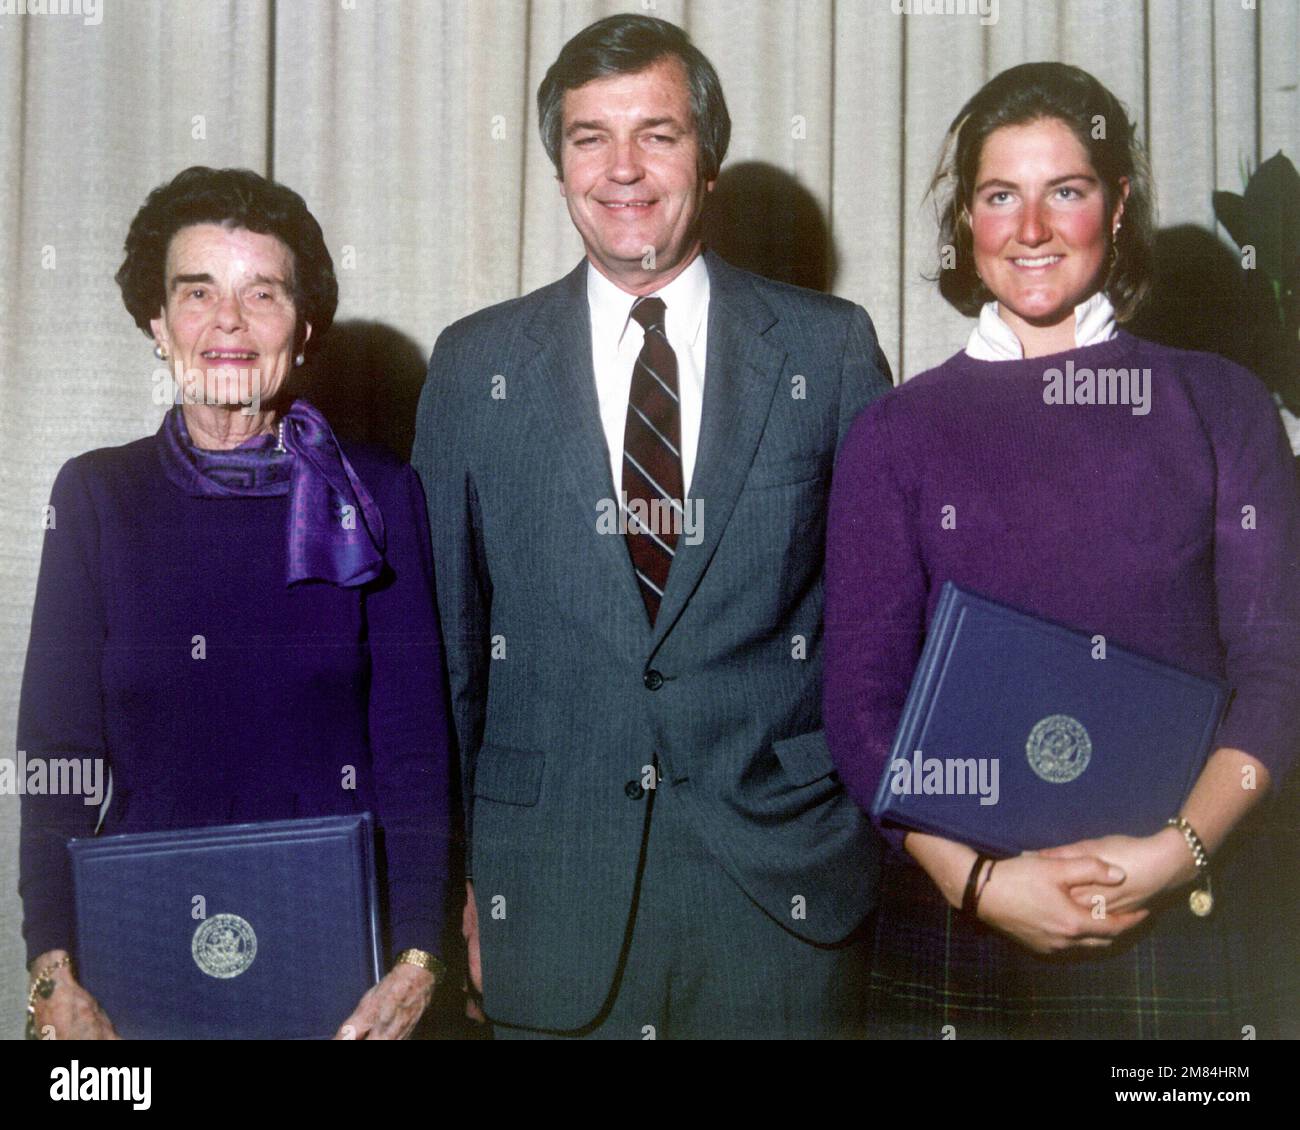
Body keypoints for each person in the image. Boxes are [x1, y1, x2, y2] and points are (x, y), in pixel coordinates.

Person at [413, 13, 892, 1038]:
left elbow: (881, 630)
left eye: (657, 134)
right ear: (557, 166)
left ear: (706, 158)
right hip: (545, 894)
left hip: (783, 892)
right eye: (590, 137)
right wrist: (444, 891)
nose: (622, 168)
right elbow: (446, 658)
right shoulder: (471, 366)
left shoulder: (830, 348)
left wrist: (864, 838)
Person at [824, 62, 1300, 1038]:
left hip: (1172, 909)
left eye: (1065, 191)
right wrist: (982, 882)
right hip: (957, 915)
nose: (1030, 229)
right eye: (1000, 195)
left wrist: (1176, 852)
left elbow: (1280, 666)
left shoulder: (1220, 405)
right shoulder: (893, 431)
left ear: (1116, 206)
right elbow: (858, 705)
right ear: (966, 219)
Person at [19, 166, 452, 1040]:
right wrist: (52, 971)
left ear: (304, 326)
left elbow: (416, 760)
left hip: (342, 969)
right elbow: (55, 761)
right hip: (137, 966)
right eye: (197, 292)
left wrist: (415, 964)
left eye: (262, 294)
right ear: (156, 320)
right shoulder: (97, 497)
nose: (227, 323)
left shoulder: (376, 493)